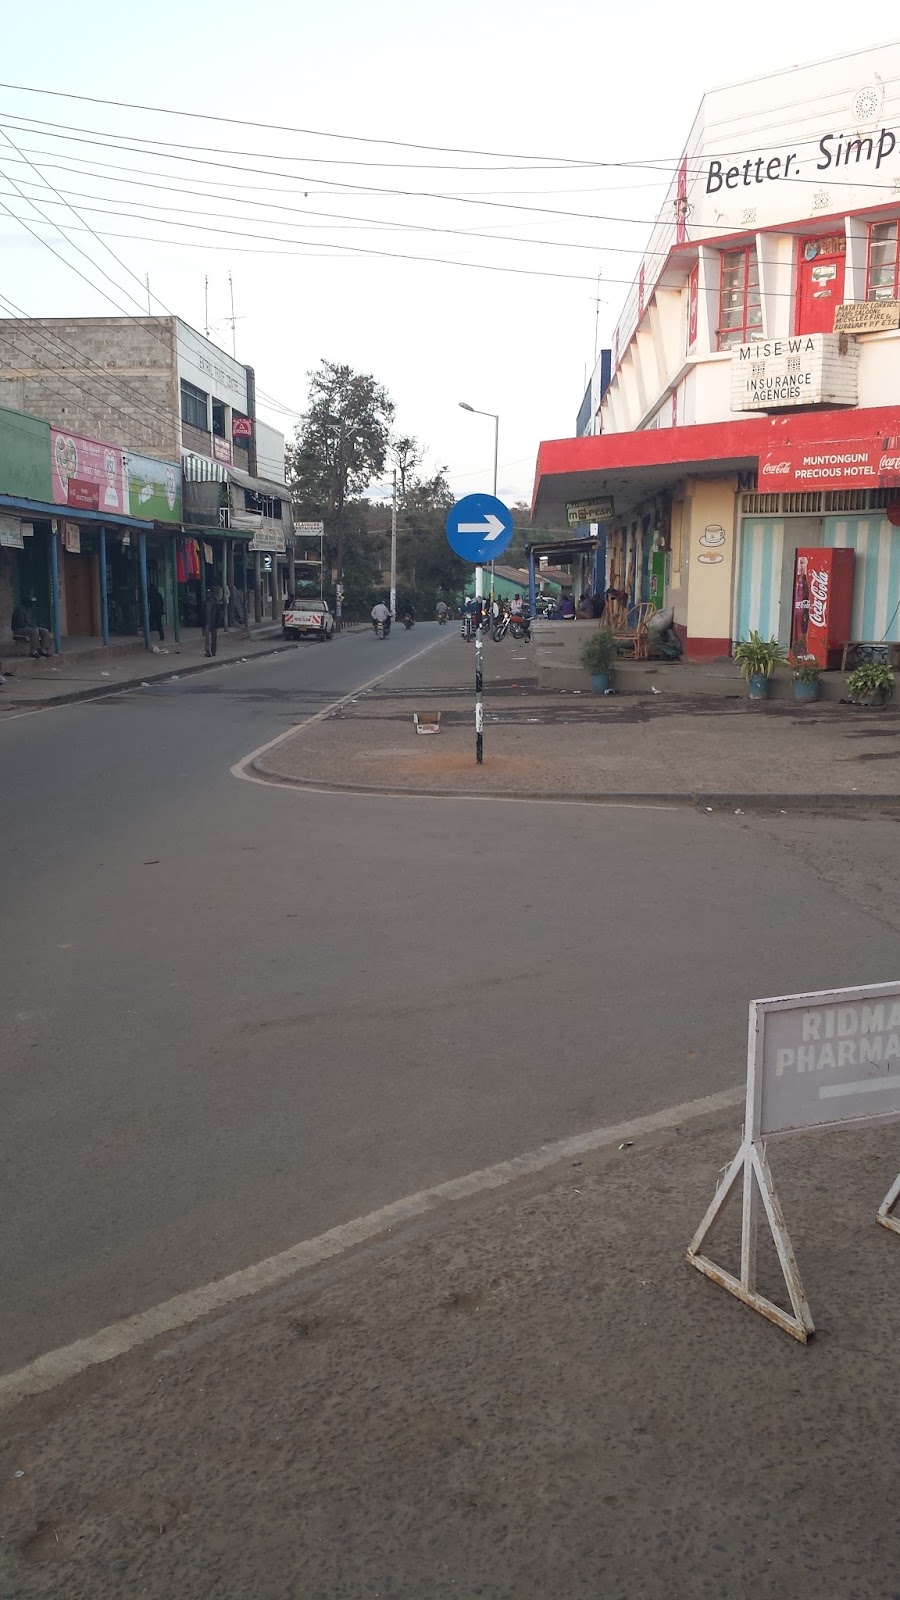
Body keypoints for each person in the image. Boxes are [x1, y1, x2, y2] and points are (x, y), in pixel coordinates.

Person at [203, 587, 223, 657]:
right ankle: (208, 651)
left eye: (209, 594)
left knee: (214, 639)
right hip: (207, 624)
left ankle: (213, 651)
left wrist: (217, 624)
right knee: (207, 639)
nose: (208, 595)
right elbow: (202, 614)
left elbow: (219, 615)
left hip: (213, 624)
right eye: (207, 594)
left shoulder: (215, 604)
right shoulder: (205, 604)